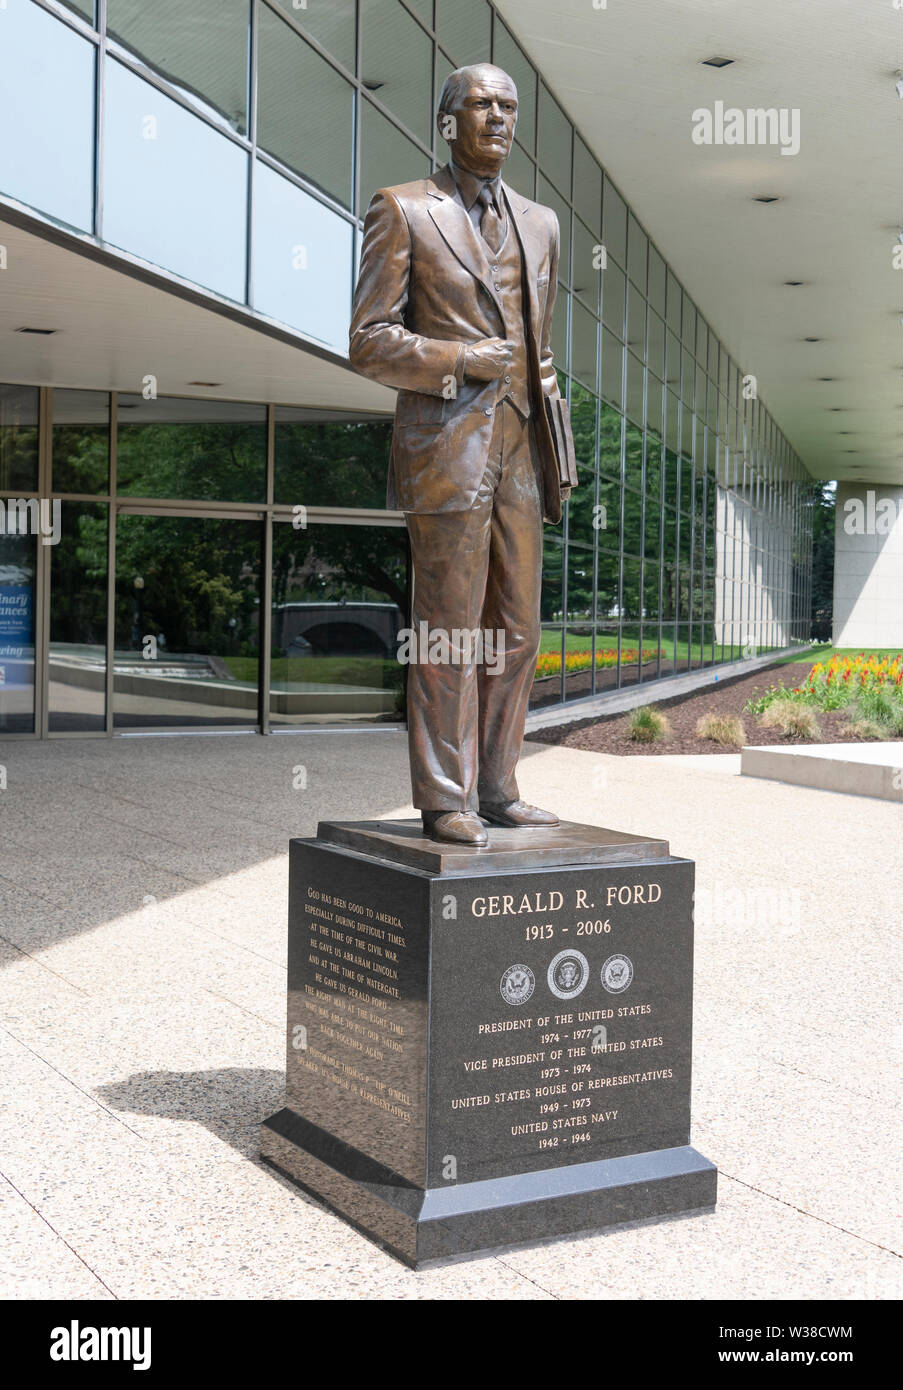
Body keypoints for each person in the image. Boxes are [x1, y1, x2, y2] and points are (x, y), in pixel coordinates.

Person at [349, 63, 575, 845]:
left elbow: (537, 345)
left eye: (508, 106)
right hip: (447, 448)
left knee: (517, 628)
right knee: (446, 629)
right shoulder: (404, 209)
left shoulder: (541, 223)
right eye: (481, 105)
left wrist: (554, 435)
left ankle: (499, 785)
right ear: (448, 120)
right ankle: (445, 796)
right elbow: (369, 343)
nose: (497, 118)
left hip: (522, 448)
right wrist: (455, 360)